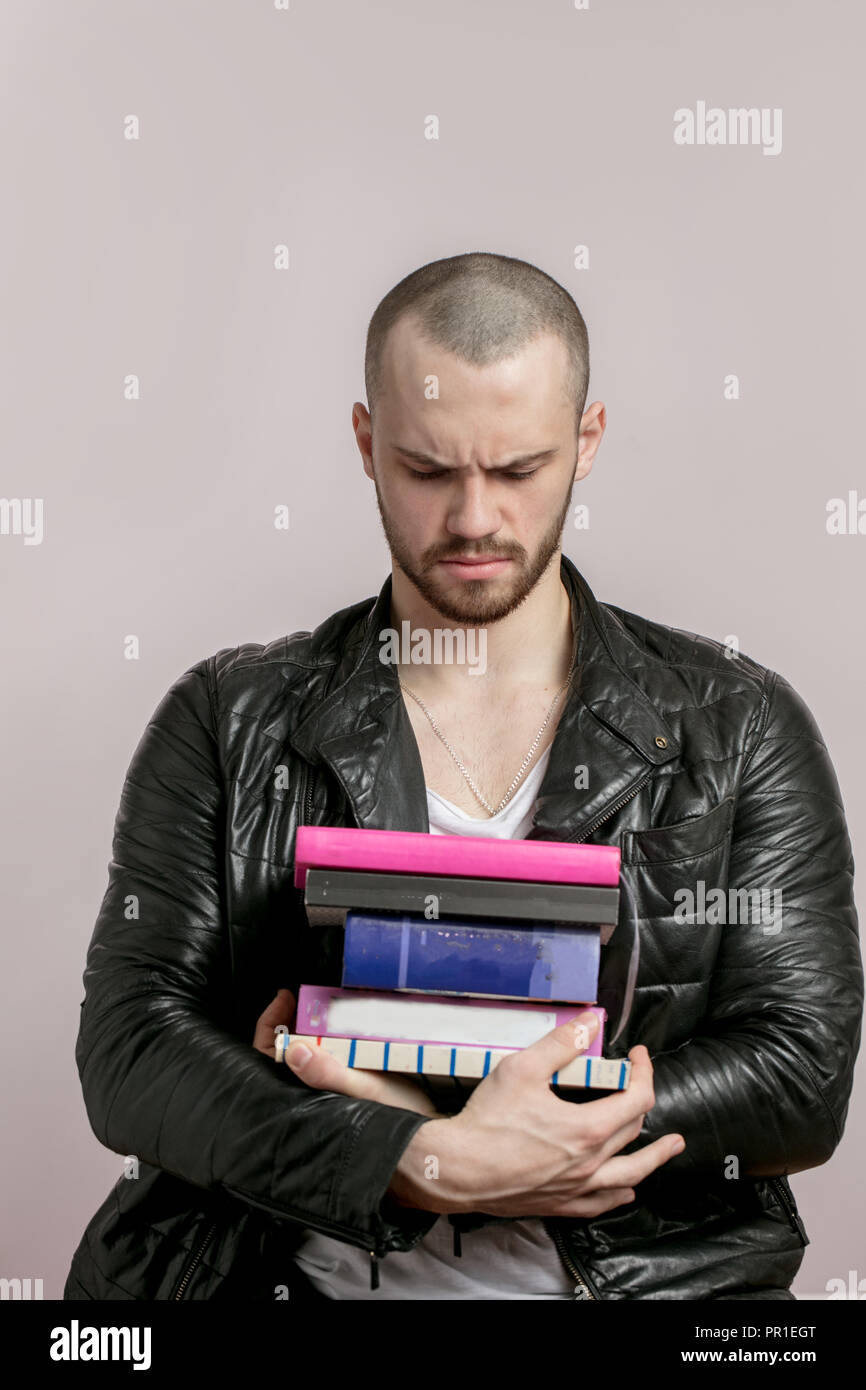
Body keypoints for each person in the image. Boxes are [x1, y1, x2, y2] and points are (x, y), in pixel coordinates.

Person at [64, 252, 862, 1301]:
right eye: (428, 471)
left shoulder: (738, 723)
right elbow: (130, 1051)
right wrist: (415, 1160)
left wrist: (444, 1115)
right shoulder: (230, 716)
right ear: (365, 443)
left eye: (518, 469)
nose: (475, 518)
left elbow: (798, 1076)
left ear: (586, 441)